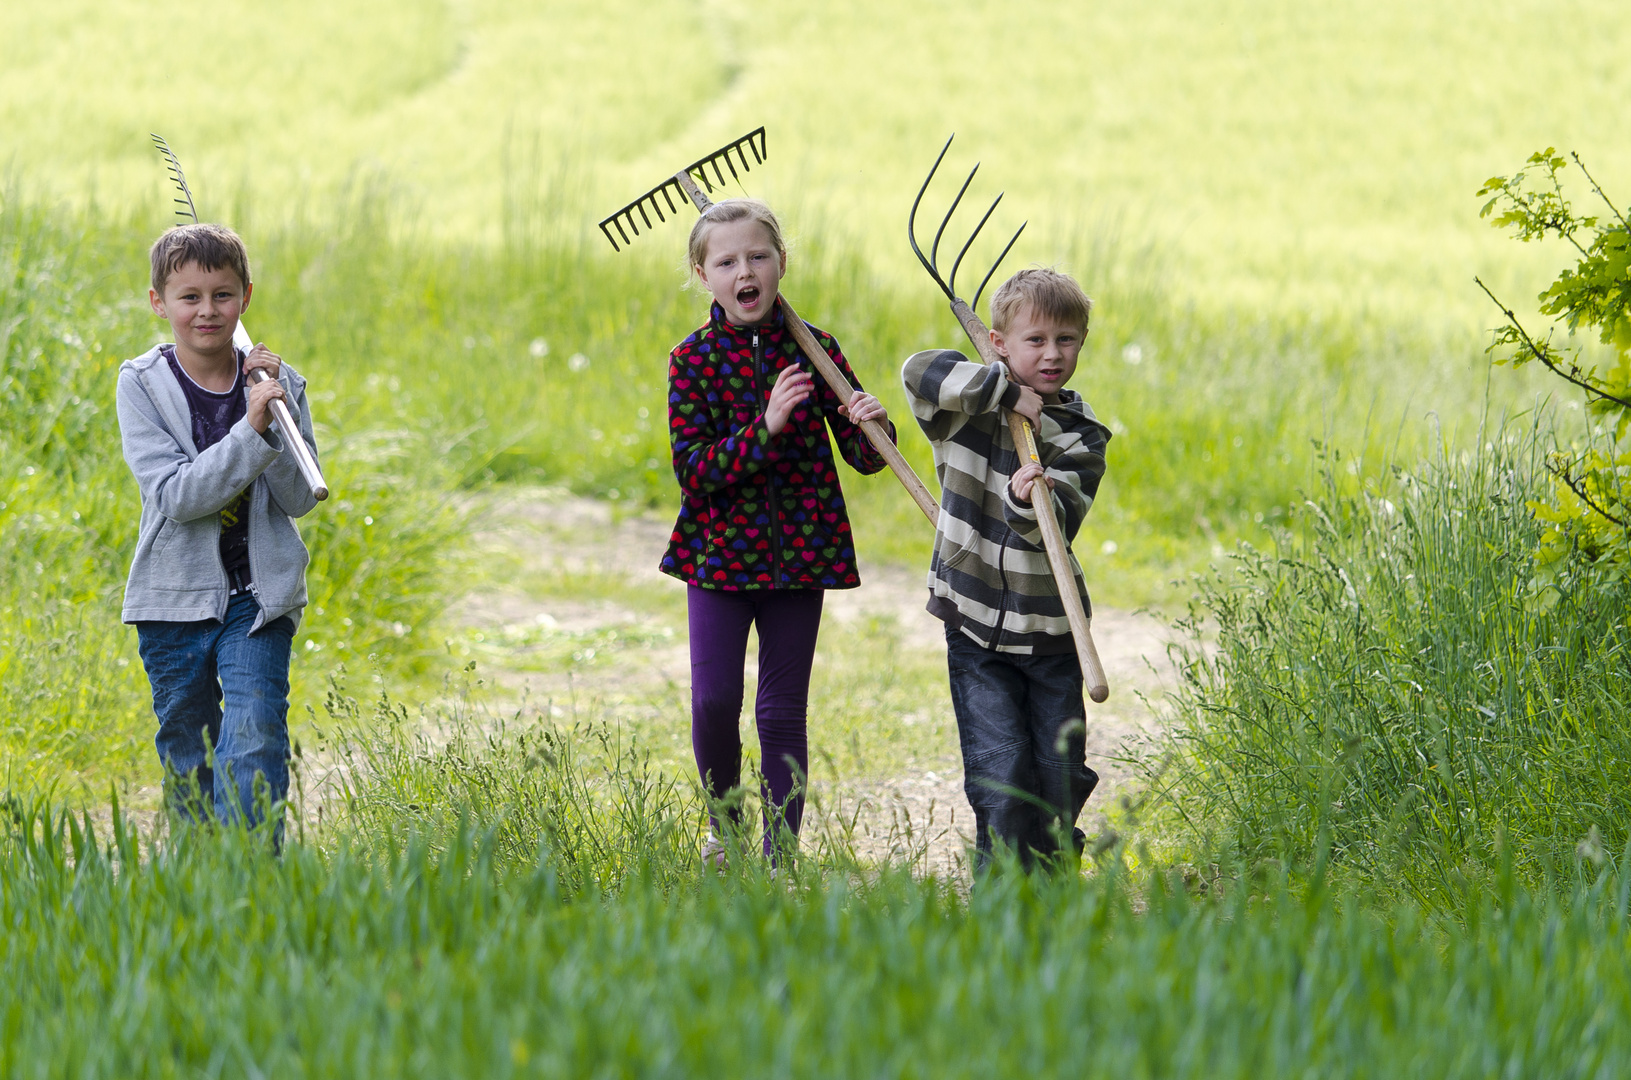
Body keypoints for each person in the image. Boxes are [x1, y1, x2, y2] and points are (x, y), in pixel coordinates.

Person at [661, 198, 896, 865]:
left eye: (758, 256)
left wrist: (873, 424)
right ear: (703, 276)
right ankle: (726, 828)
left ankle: (780, 855)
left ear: (781, 264)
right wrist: (764, 428)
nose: (745, 271)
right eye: (727, 261)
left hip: (800, 553)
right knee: (714, 701)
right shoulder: (693, 360)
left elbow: (865, 459)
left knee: (780, 710)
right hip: (718, 557)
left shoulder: (816, 350)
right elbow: (695, 470)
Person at [900, 267, 1111, 873]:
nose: (1052, 354)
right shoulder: (965, 410)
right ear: (998, 343)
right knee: (1002, 772)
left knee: (1058, 775)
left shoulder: (1080, 435)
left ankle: (1051, 877)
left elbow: (1059, 524)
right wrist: (1001, 392)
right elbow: (917, 371)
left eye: (1066, 340)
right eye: (1035, 340)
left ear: (1082, 341)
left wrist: (1029, 500)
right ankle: (1000, 900)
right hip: (973, 626)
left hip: (1050, 633)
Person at [117, 222, 321, 837]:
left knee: (255, 737)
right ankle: (200, 874)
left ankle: (250, 875)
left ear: (245, 297)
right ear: (160, 303)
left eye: (223, 294)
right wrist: (249, 432)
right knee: (190, 753)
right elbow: (177, 497)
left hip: (258, 600)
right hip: (173, 601)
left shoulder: (278, 386)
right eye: (190, 297)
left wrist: (275, 414)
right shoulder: (142, 385)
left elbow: (298, 497)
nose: (207, 310)